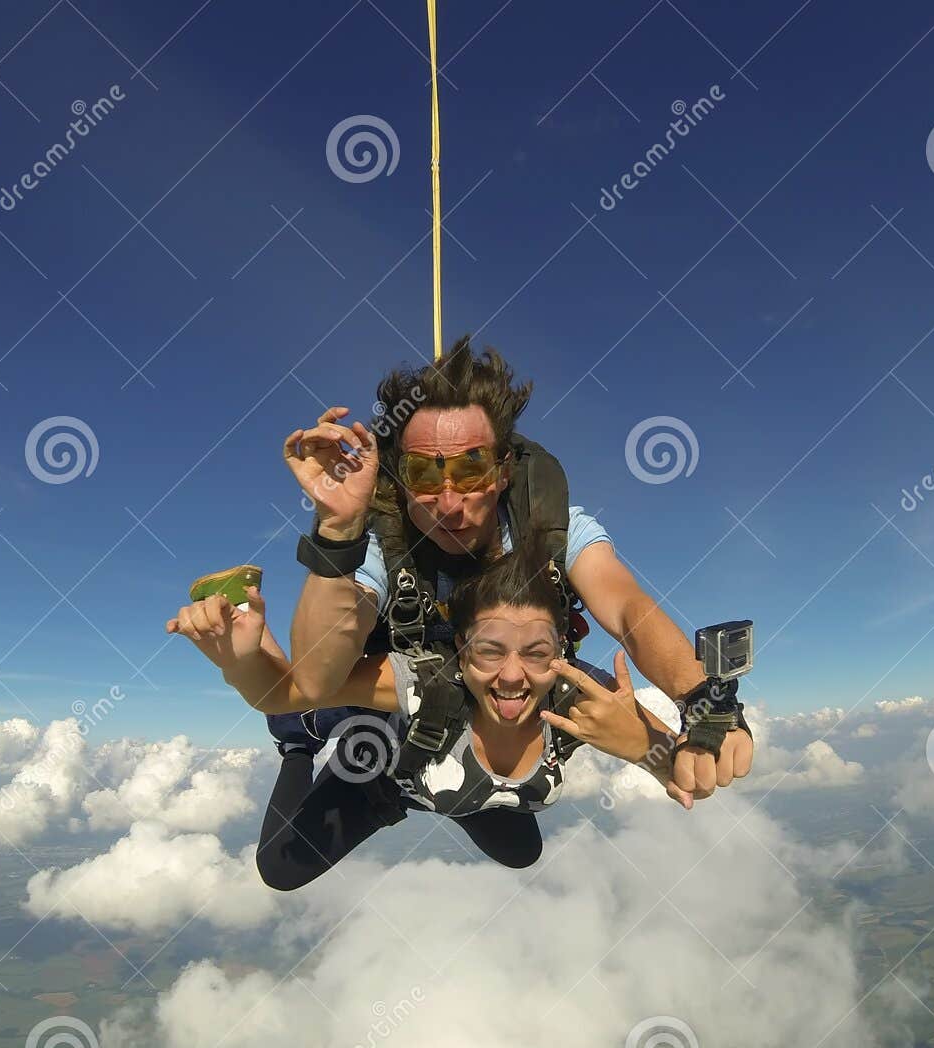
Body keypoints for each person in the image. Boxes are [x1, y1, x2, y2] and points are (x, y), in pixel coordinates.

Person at [277, 335, 753, 807]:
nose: (448, 503)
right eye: (423, 473)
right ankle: (307, 743)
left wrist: (704, 704)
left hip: (500, 676)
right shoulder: (382, 543)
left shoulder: (549, 527)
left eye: (472, 468)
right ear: (400, 480)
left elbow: (628, 609)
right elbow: (317, 675)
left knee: (577, 728)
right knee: (285, 844)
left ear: (504, 472)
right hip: (414, 674)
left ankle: (475, 781)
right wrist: (337, 528)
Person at [167, 546, 689, 890]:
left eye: (535, 652)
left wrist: (649, 746)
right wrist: (241, 658)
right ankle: (298, 743)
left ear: (561, 653)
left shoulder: (578, 695)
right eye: (489, 651)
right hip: (385, 771)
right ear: (461, 650)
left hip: (469, 787)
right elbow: (294, 687)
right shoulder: (426, 680)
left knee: (522, 853)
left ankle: (449, 789)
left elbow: (690, 769)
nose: (513, 676)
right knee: (279, 867)